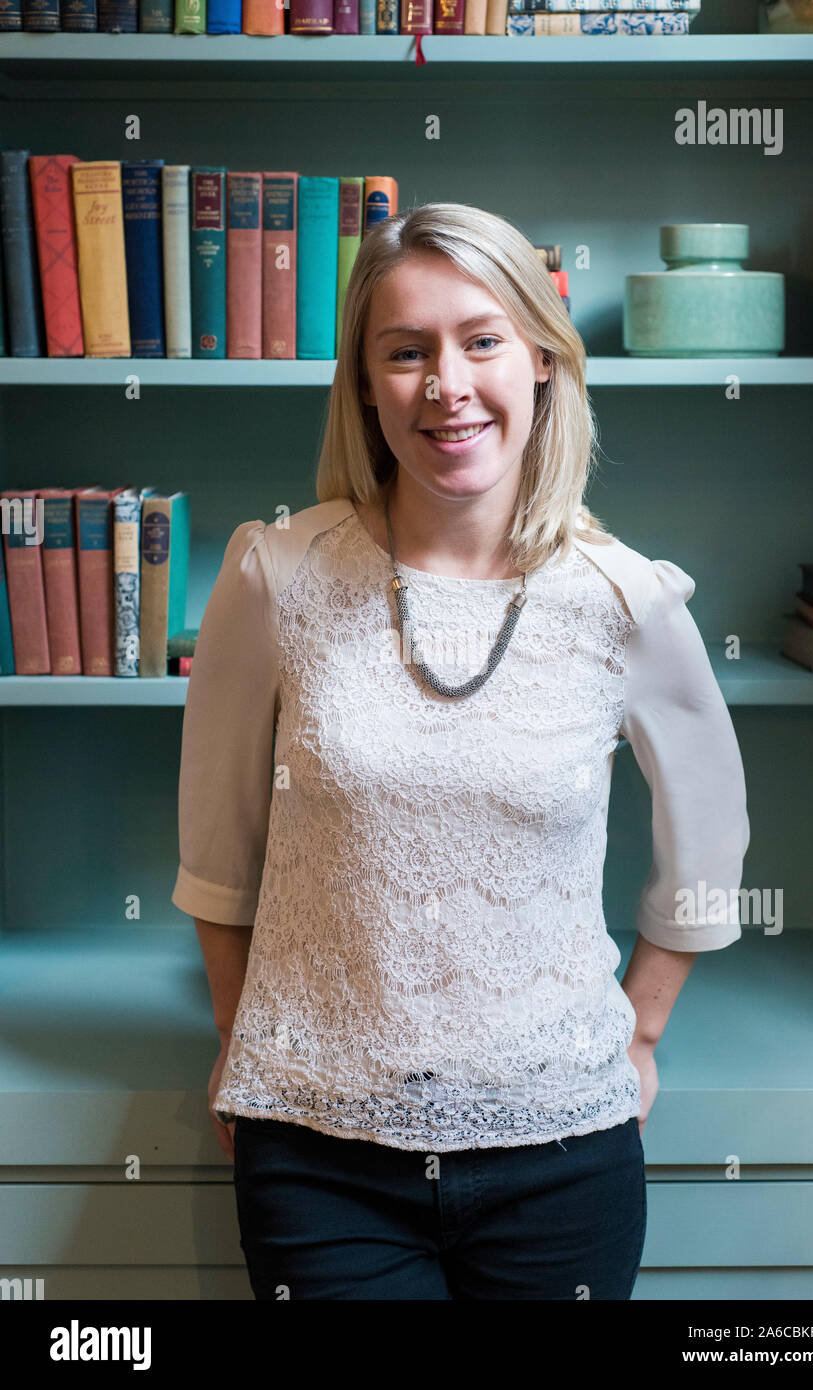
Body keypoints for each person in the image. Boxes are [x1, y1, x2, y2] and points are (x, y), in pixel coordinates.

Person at [171, 202, 750, 1301]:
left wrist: (645, 1029)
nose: (447, 384)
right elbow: (217, 852)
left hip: (564, 1155)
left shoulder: (622, 597)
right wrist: (241, 1037)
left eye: (481, 340)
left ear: (540, 361)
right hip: (317, 1150)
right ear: (364, 382)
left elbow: (710, 836)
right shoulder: (275, 576)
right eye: (406, 350)